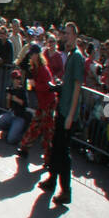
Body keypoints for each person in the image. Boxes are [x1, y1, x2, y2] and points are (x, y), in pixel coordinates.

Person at [39, 21, 84, 204]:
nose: (64, 36)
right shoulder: (70, 55)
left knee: (63, 153)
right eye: (63, 33)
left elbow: (77, 87)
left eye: (68, 33)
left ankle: (66, 191)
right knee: (56, 148)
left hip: (68, 113)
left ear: (74, 36)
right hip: (62, 108)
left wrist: (70, 116)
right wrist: (58, 88)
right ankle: (51, 180)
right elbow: (68, 85)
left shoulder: (78, 57)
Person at [17, 45, 56, 163]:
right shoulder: (34, 68)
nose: (31, 56)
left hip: (48, 103)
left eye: (32, 54)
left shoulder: (44, 70)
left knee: (47, 132)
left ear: (37, 55)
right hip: (41, 102)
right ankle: (24, 149)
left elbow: (48, 87)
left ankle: (49, 159)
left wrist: (35, 86)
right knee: (34, 126)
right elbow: (21, 65)